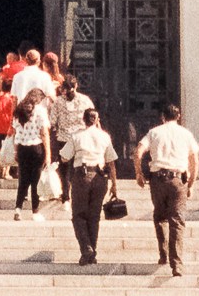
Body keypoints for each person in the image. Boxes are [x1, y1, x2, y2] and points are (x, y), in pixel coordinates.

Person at [137, 100, 199, 276]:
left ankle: (164, 254)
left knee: (160, 217)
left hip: (157, 180)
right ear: (178, 116)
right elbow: (195, 159)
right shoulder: (186, 134)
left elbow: (138, 152)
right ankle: (177, 264)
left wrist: (139, 174)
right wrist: (191, 184)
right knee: (177, 221)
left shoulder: (154, 132)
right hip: (178, 179)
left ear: (162, 117)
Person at [65, 102, 118, 265]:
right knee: (94, 217)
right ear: (96, 120)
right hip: (100, 177)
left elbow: (65, 156)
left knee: (79, 215)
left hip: (82, 175)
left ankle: (86, 248)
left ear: (83, 119)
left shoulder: (76, 135)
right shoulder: (104, 136)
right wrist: (114, 184)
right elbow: (111, 162)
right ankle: (91, 253)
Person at [10, 82, 54, 216]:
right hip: (36, 148)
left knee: (23, 180)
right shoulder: (40, 111)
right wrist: (48, 154)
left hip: (22, 148)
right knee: (36, 180)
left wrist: (16, 151)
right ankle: (35, 210)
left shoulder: (19, 110)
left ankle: (18, 208)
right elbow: (44, 133)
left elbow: (16, 133)